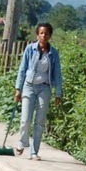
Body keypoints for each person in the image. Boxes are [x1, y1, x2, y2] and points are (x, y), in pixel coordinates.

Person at [13, 22, 62, 161]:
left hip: (45, 88)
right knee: (26, 119)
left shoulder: (53, 53)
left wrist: (58, 93)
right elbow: (22, 69)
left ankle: (34, 152)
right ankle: (22, 143)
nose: (44, 36)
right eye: (41, 33)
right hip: (29, 86)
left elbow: (57, 74)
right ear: (37, 35)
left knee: (40, 121)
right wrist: (18, 89)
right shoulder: (30, 49)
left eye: (46, 33)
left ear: (50, 36)